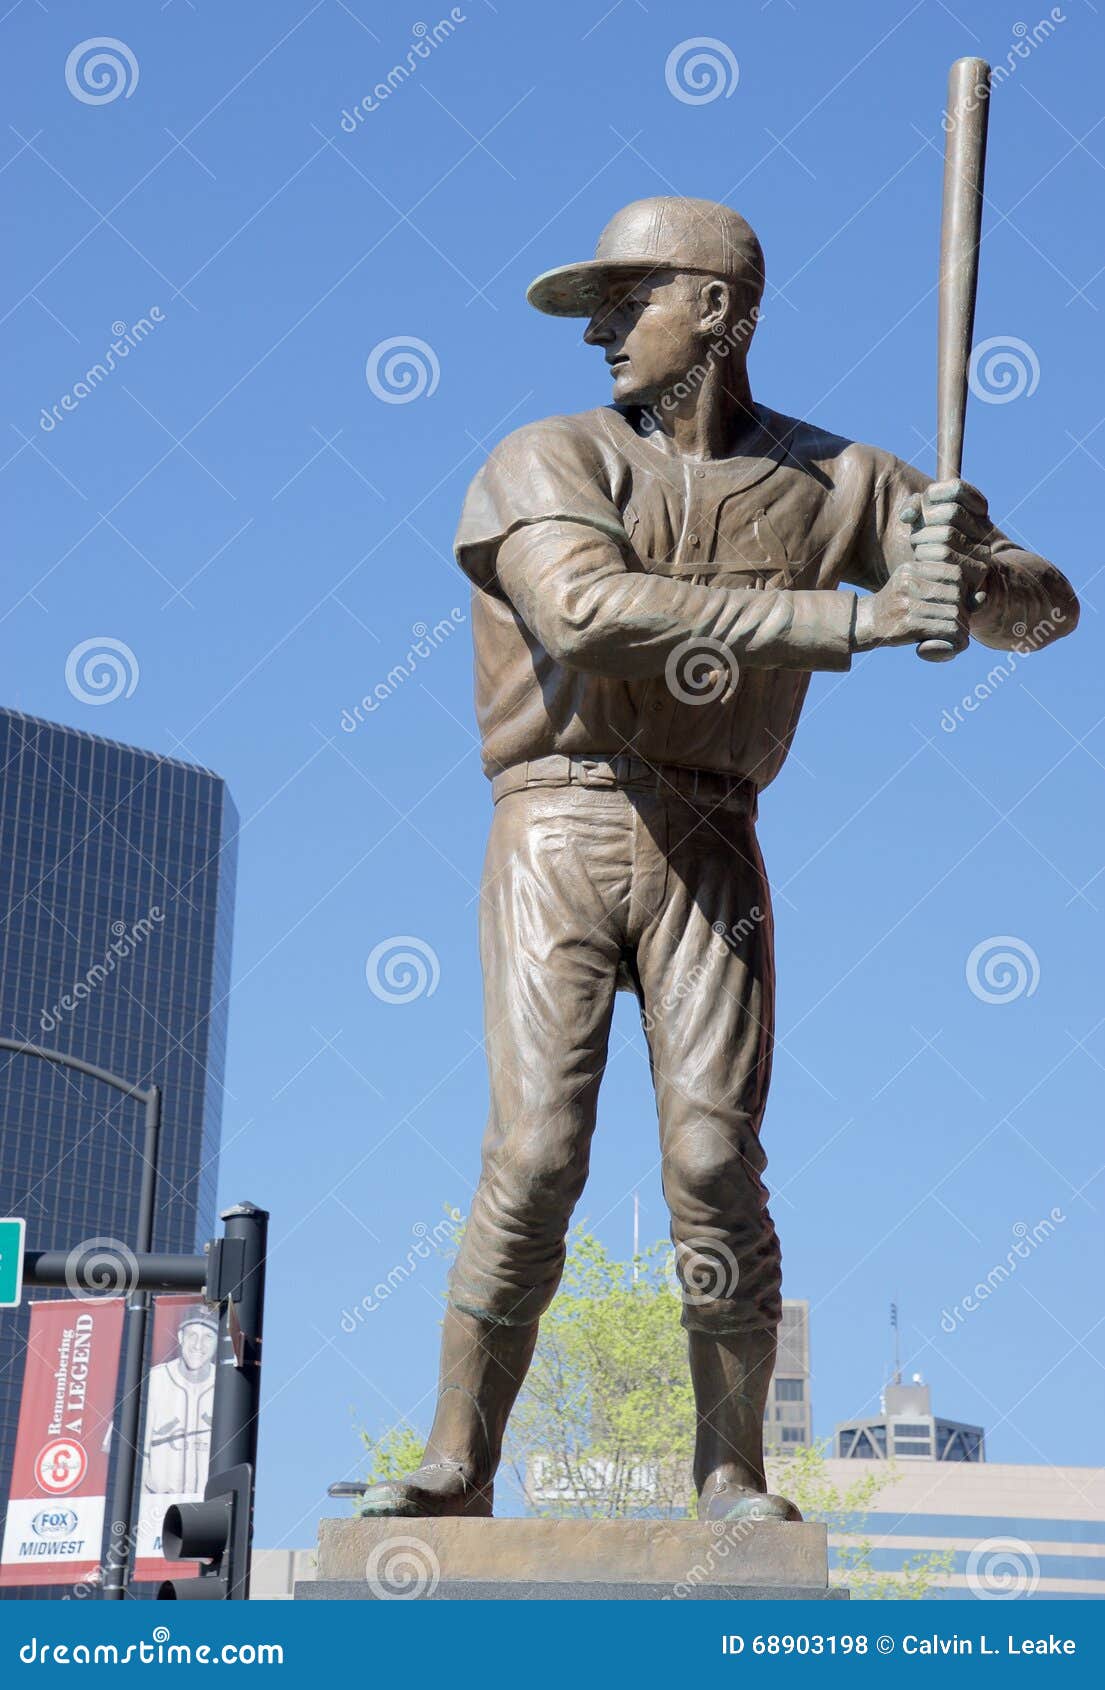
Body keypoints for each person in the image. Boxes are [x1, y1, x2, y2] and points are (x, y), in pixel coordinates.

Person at [361, 197, 1078, 1523]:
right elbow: (586, 611)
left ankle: (730, 1470)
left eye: (631, 301)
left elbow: (1047, 608)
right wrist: (857, 617)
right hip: (557, 821)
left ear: (722, 310)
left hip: (710, 830)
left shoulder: (844, 481)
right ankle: (459, 1457)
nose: (604, 333)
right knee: (535, 1154)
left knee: (709, 1159)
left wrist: (965, 573)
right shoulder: (546, 456)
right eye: (599, 309)